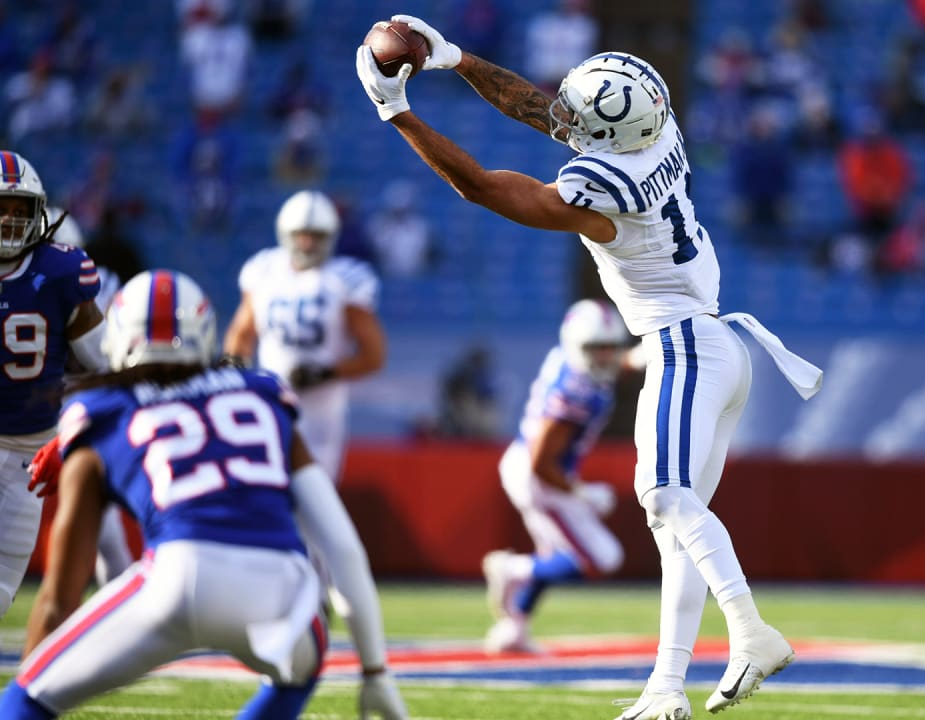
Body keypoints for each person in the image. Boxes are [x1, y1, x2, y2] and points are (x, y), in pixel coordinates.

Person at [356, 20, 823, 719]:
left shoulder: (603, 185)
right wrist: (453, 58)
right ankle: (666, 689)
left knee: (663, 499)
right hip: (716, 344)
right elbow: (545, 111)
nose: (564, 115)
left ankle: (751, 632)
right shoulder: (654, 133)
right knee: (676, 527)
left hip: (681, 347)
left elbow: (482, 187)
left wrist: (396, 111)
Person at [0, 270, 407, 719]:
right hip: (277, 590)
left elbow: (59, 596)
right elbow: (344, 549)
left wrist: (35, 679)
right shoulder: (264, 393)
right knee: (300, 665)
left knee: (28, 698)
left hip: (174, 576)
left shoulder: (99, 413)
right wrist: (375, 672)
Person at [483, 298, 632, 654]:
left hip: (531, 468)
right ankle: (510, 568)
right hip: (539, 477)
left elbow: (604, 363)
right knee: (600, 557)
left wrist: (633, 359)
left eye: (612, 348)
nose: (607, 357)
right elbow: (541, 462)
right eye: (598, 349)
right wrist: (580, 493)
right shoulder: (573, 391)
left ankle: (513, 630)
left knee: (552, 551)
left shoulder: (570, 361)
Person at [0, 151, 107, 620]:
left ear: (38, 213)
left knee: (2, 586)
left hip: (32, 452)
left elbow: (103, 364)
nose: (8, 220)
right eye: (0, 208)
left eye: (18, 209)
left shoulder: (62, 272)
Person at [224, 189, 387, 483]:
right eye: (301, 234)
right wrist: (234, 375)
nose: (308, 243)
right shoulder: (264, 270)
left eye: (317, 235)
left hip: (320, 415)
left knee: (313, 497)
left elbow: (374, 356)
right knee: (263, 491)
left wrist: (324, 373)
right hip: (268, 402)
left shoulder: (346, 279)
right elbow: (241, 333)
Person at [46, 205, 134, 586]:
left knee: (104, 530)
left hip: (82, 406)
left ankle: (124, 611)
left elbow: (118, 357)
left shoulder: (104, 285)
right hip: (22, 411)